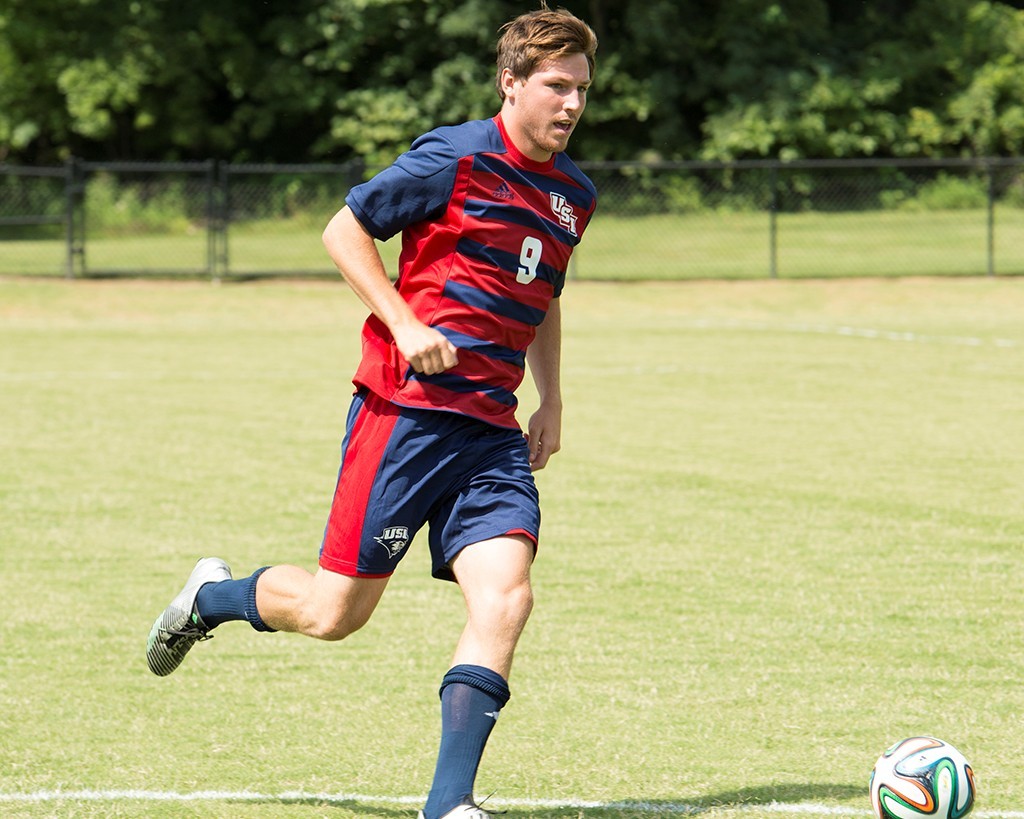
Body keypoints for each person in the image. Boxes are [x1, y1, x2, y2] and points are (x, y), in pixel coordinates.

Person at [146, 4, 598, 818]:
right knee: (333, 613)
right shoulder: (455, 156)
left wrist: (552, 397)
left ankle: (449, 803)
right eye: (556, 86)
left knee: (508, 597)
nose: (571, 104)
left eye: (582, 90)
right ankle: (209, 598)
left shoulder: (575, 194)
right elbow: (344, 229)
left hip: (491, 431)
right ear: (513, 84)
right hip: (406, 413)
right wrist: (405, 321)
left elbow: (544, 292)